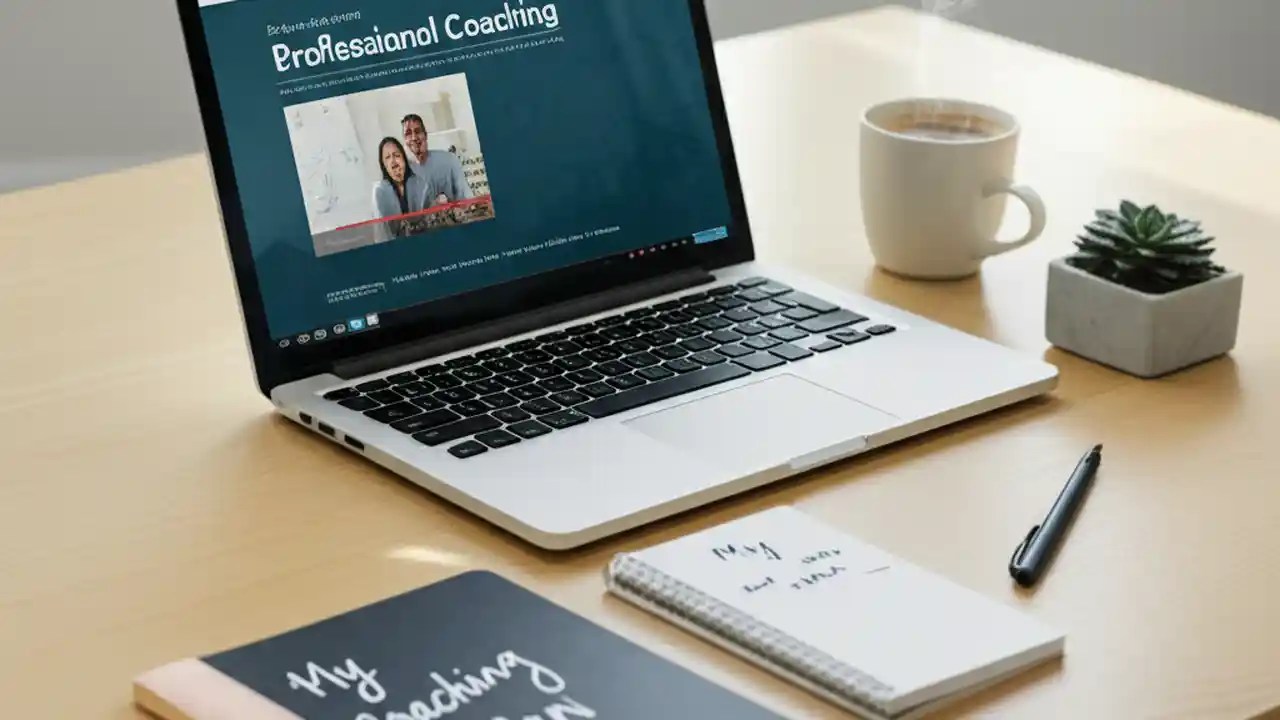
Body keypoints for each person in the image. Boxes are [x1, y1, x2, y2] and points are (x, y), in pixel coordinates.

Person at [400, 114, 474, 207]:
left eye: (418, 131)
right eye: (408, 133)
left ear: (425, 135)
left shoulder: (449, 160)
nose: (414, 138)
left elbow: (466, 199)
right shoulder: (402, 173)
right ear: (404, 140)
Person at [371, 137, 428, 241]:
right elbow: (383, 235)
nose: (393, 162)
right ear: (384, 166)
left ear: (404, 159)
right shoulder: (380, 191)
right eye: (387, 158)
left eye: (397, 155)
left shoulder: (419, 183)